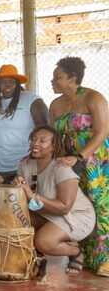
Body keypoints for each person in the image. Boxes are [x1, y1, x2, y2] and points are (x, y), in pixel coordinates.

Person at [50, 56, 109, 276]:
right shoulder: (55, 104)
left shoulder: (94, 98)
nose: (53, 81)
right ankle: (80, 253)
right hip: (68, 162)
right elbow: (54, 135)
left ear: (73, 78)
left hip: (95, 162)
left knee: (100, 205)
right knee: (75, 205)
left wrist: (80, 157)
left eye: (58, 77)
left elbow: (102, 132)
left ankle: (104, 259)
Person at [15, 126, 95, 272]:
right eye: (33, 139)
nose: (35, 143)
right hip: (46, 212)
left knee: (43, 241)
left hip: (75, 216)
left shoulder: (62, 168)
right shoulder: (25, 164)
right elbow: (24, 196)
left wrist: (31, 195)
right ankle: (37, 258)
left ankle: (75, 252)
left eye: (42, 141)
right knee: (15, 221)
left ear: (53, 147)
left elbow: (65, 207)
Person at [0, 65, 48, 180]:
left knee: (26, 196)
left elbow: (44, 130)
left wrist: (35, 155)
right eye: (3, 81)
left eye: (11, 81)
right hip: (0, 166)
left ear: (17, 83)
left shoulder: (31, 99)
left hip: (25, 163)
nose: (7, 84)